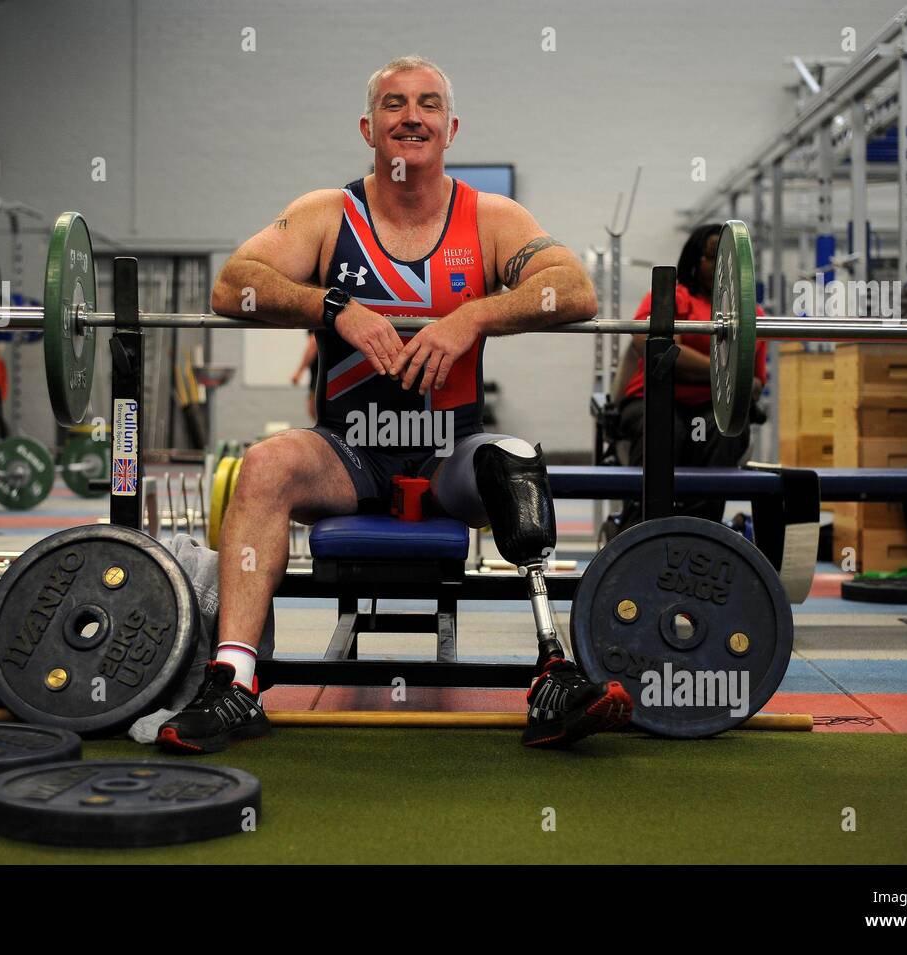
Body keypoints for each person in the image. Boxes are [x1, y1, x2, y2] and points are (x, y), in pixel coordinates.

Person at [157, 55, 632, 754]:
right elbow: (234, 285)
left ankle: (554, 672)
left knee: (516, 460)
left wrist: (473, 315)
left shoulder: (491, 218)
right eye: (394, 105)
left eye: (428, 104)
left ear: (450, 127)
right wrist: (333, 306)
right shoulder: (328, 214)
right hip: (348, 450)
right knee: (262, 466)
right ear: (368, 127)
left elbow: (574, 289)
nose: (412, 116)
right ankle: (235, 681)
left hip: (451, 455)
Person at [611, 223, 767, 528]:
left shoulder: (752, 315)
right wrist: (722, 371)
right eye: (710, 257)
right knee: (668, 430)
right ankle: (642, 528)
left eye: (720, 258)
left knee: (723, 432)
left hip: (711, 409)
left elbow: (754, 384)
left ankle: (699, 531)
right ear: (695, 260)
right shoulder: (674, 296)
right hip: (654, 400)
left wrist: (691, 363)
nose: (716, 265)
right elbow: (655, 347)